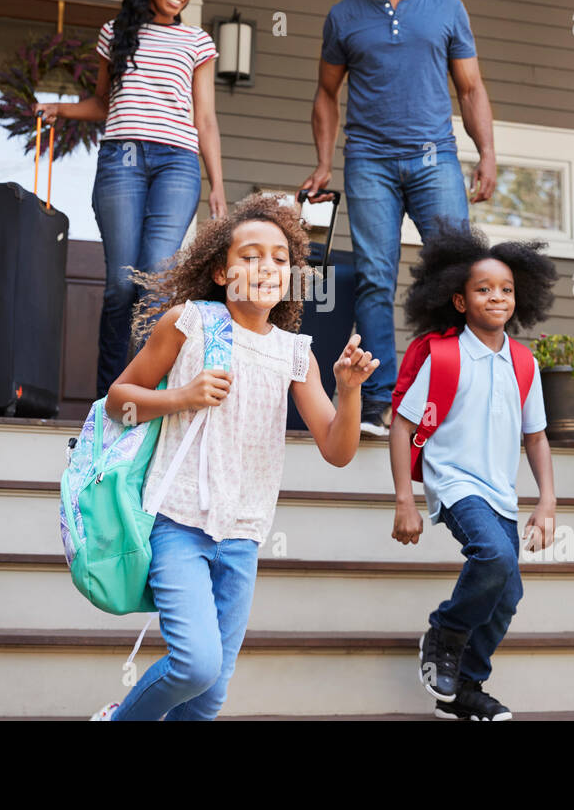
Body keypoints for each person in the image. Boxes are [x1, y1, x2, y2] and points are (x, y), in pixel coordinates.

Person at [89, 194, 378, 721]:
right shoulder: (189, 322)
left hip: (243, 534)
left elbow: (338, 451)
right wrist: (180, 397)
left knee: (210, 696)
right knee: (195, 666)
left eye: (279, 257)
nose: (265, 266)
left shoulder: (295, 353)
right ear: (221, 271)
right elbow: (118, 402)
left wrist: (349, 390)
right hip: (178, 522)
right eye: (249, 255)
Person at [300, 0, 500, 437]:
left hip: (435, 155)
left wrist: (486, 153)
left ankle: (456, 394)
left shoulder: (446, 8)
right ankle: (382, 402)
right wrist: (324, 162)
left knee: (457, 273)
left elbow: (471, 88)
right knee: (373, 278)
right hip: (368, 159)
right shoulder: (344, 16)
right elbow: (326, 92)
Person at [35, 0, 228, 399]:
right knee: (122, 284)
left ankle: (146, 394)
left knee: (155, 284)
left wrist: (217, 183)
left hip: (177, 164)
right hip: (122, 159)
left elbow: (204, 118)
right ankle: (110, 398)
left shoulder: (197, 41)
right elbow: (103, 104)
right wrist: (59, 109)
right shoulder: (115, 33)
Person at [389, 219, 558, 720]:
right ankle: (443, 633)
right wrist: (405, 500)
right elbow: (403, 427)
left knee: (507, 594)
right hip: (456, 483)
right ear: (459, 301)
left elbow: (536, 438)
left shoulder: (523, 363)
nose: (497, 297)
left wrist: (547, 500)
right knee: (492, 557)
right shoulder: (443, 356)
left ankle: (464, 689)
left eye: (506, 289)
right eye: (483, 289)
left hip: (501, 491)